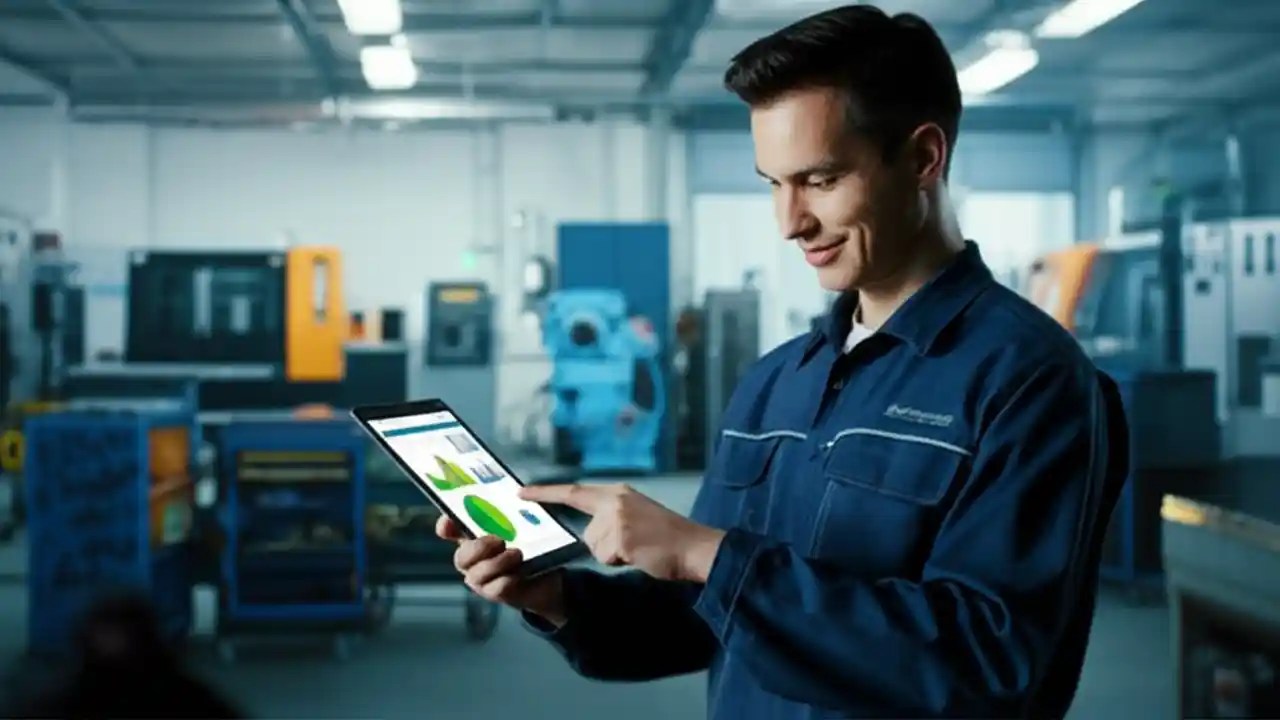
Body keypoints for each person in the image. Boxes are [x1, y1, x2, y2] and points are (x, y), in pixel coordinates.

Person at [437, 5, 1128, 718]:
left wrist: (708, 554)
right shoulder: (777, 382)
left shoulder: (1030, 381)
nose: (789, 222)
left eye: (820, 181)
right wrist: (553, 597)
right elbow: (703, 622)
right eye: (773, 183)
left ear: (924, 158)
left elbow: (989, 667)